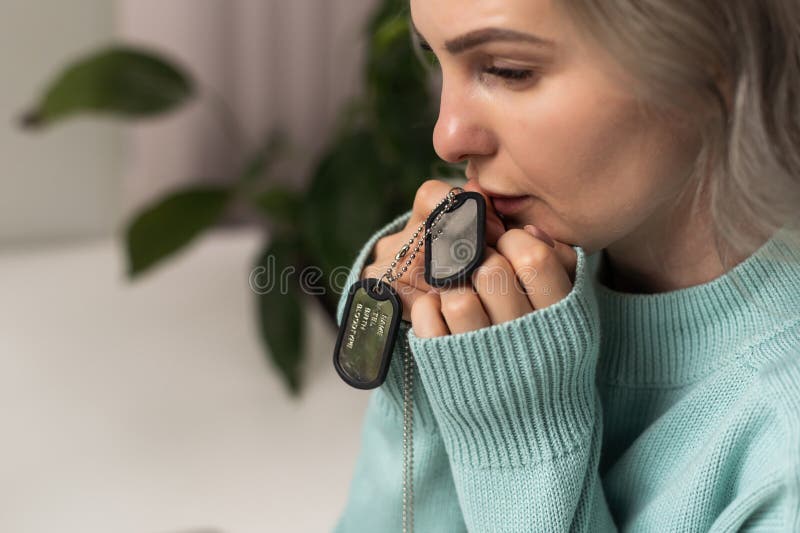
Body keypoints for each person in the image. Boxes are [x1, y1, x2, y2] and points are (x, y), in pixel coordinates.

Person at [334, 0, 800, 530]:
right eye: (438, 61)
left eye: (509, 70)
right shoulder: (530, 275)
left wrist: (521, 446)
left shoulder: (784, 458)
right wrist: (431, 382)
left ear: (714, 55)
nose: (448, 136)